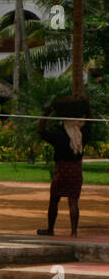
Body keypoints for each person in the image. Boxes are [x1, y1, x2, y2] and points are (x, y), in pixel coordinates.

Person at [36, 95, 90, 236]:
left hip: (61, 169)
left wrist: (47, 113)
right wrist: (87, 107)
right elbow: (89, 123)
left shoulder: (59, 134)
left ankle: (50, 229)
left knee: (54, 200)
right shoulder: (81, 134)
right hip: (76, 169)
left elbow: (41, 131)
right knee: (73, 201)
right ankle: (73, 232)